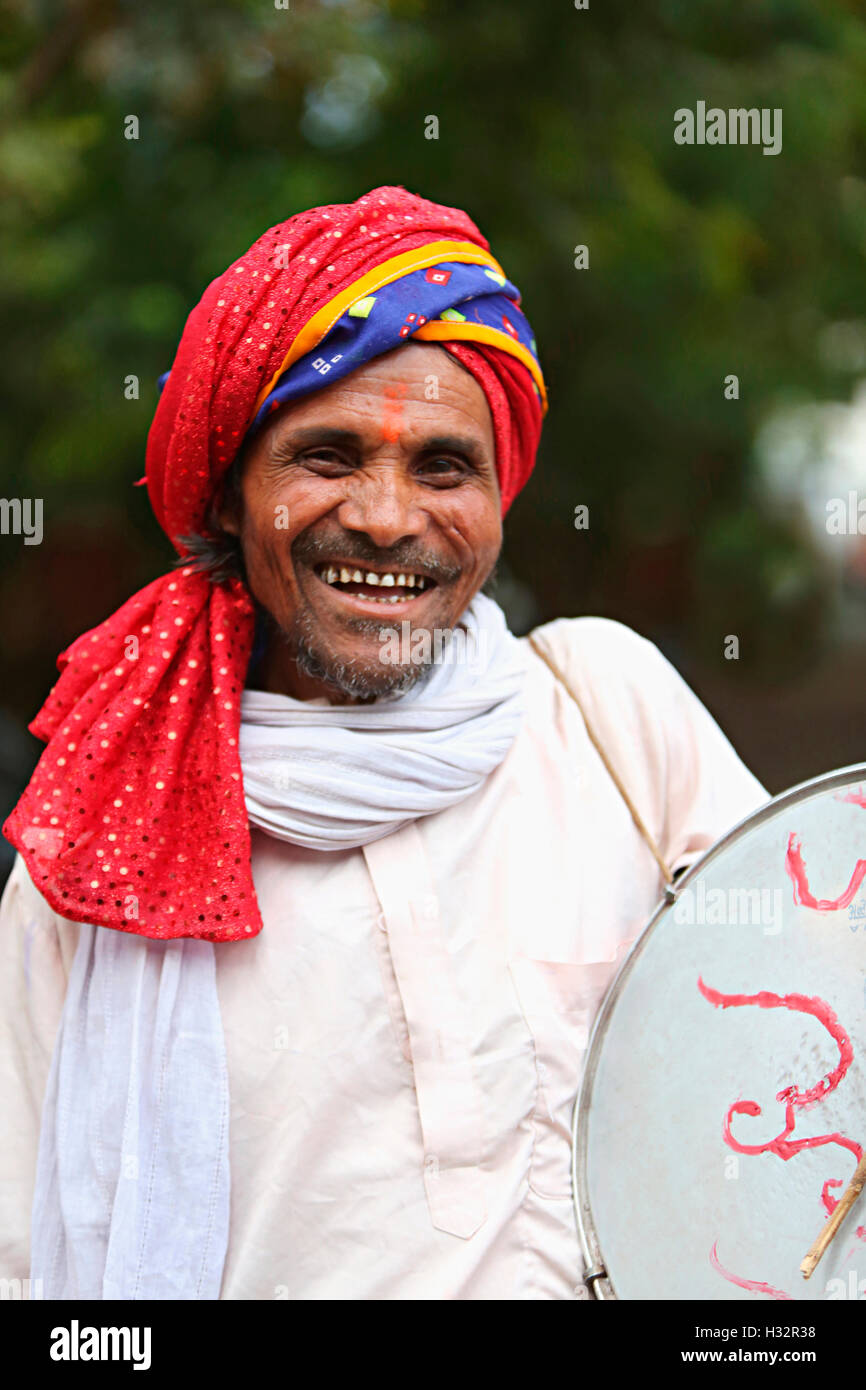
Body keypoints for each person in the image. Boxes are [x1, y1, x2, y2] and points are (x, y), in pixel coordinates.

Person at [0, 185, 766, 1301]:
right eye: (327, 455)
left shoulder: (601, 709)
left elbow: (815, 1016)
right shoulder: (107, 845)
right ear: (227, 491)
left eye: (443, 468)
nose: (387, 516)